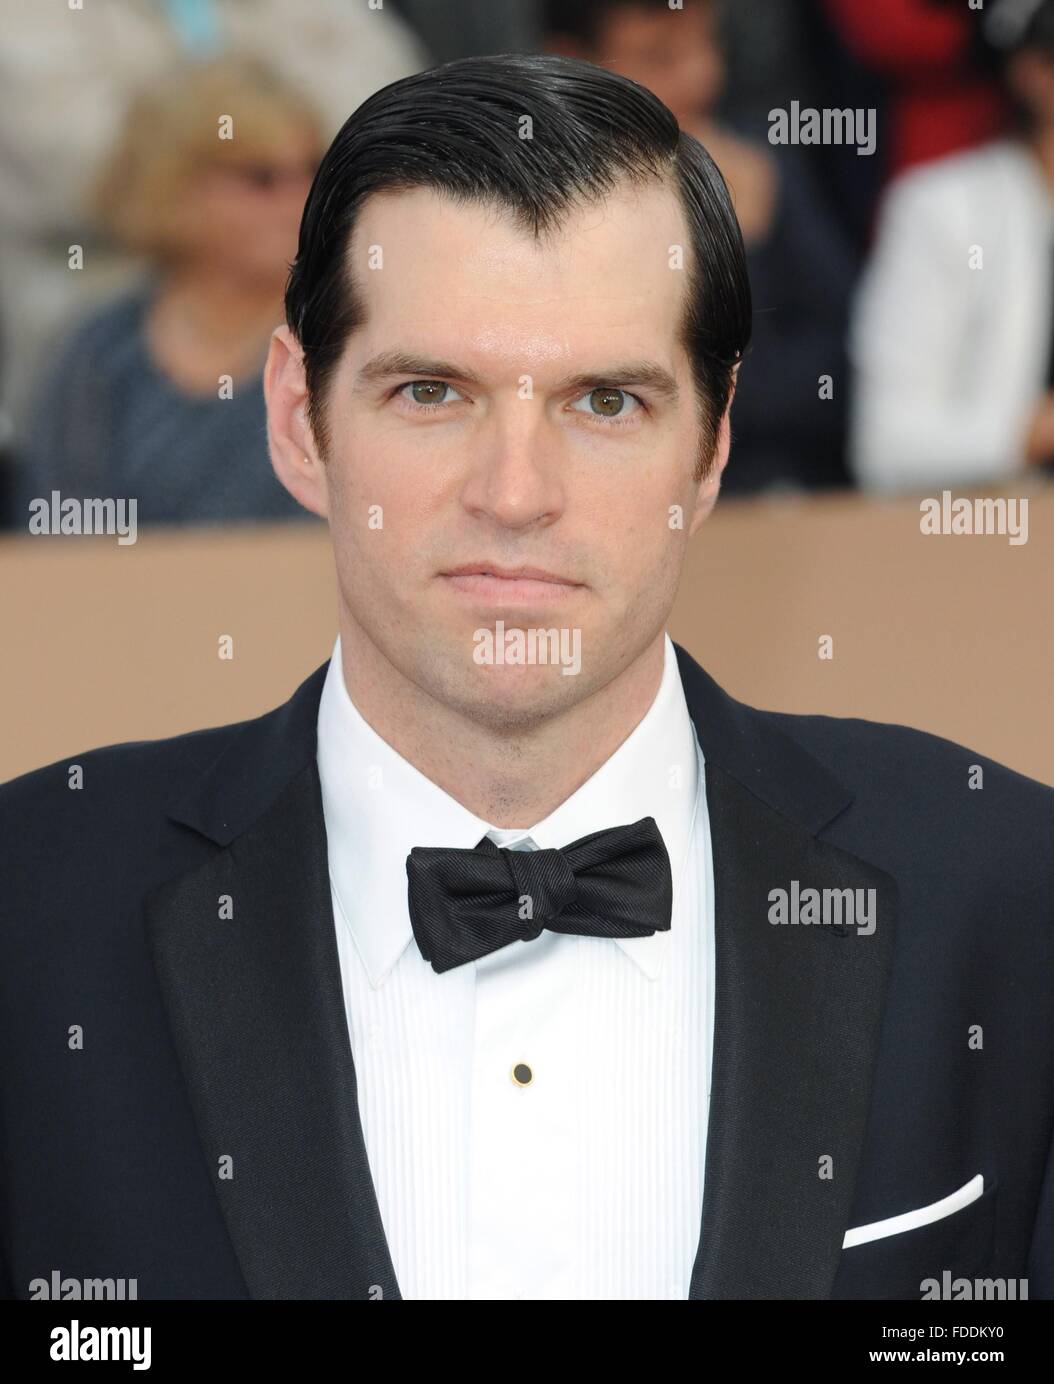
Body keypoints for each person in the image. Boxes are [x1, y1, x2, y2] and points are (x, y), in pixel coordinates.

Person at [1, 53, 1052, 1301]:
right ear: (297, 417)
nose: (514, 495)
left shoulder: (1003, 887)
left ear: (710, 444)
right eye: (431, 392)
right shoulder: (34, 907)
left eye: (603, 400)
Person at [543, 0, 858, 495]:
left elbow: (846, 372)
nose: (701, 76)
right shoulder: (536, 203)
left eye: (709, 43)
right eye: (660, 56)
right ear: (573, 61)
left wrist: (742, 252)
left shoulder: (760, 170)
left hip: (771, 496)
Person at [12, 56, 327, 529]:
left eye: (312, 170)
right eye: (261, 178)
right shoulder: (98, 352)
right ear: (172, 187)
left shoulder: (342, 335)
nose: (300, 199)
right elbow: (62, 532)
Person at [849, 0, 1054, 492]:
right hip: (996, 544)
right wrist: (1030, 434)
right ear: (1028, 71)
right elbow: (885, 445)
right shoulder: (940, 209)